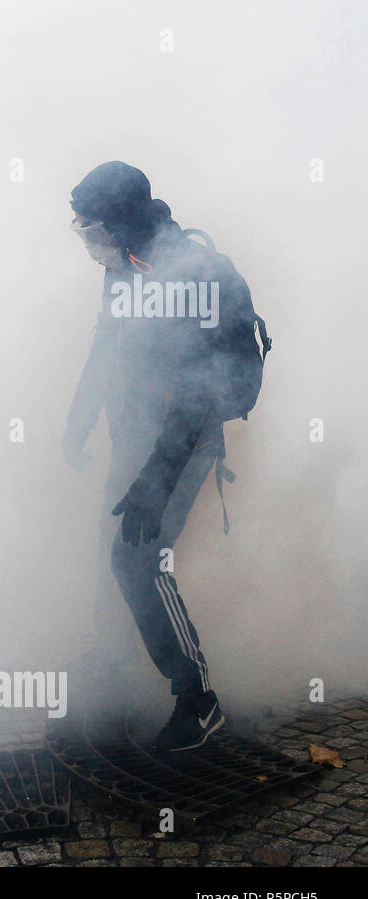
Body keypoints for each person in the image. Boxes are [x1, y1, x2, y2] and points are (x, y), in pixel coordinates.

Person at [63, 161, 269, 751]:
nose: (90, 243)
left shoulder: (202, 276)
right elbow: (106, 340)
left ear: (125, 221)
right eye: (81, 230)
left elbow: (209, 392)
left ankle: (199, 701)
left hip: (182, 446)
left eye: (95, 228)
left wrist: (156, 478)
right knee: (113, 552)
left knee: (138, 562)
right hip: (133, 441)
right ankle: (115, 666)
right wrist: (80, 420)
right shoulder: (124, 268)